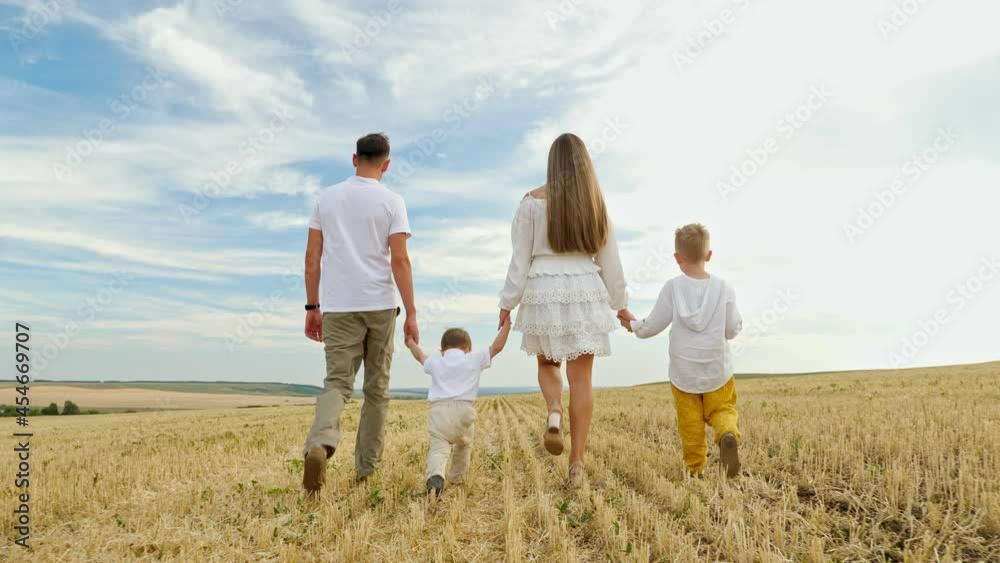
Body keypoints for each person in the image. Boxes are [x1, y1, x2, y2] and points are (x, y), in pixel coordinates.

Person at [498, 133, 629, 485]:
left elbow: (519, 262)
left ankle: (553, 410)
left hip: (543, 286)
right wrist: (621, 305)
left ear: (552, 163)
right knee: (582, 378)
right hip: (585, 287)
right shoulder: (596, 206)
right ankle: (576, 463)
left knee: (547, 362)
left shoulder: (530, 204)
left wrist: (506, 303)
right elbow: (610, 262)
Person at [301, 132, 419, 493]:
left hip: (338, 306)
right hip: (380, 305)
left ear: (354, 159)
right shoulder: (392, 201)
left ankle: (320, 445)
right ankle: (366, 470)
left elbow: (311, 259)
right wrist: (411, 312)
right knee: (376, 390)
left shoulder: (326, 198)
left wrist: (312, 306)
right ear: (386, 164)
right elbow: (399, 260)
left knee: (337, 383)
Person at [619, 223, 744, 478]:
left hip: (683, 373)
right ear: (709, 255)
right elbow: (732, 328)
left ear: (677, 258)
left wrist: (633, 325)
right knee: (722, 409)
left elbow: (653, 324)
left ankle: (696, 470)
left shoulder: (673, 288)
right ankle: (726, 433)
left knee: (690, 424)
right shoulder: (724, 288)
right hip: (716, 369)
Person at [404, 320, 512, 496]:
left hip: (439, 411)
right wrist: (506, 326)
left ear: (442, 350)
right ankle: (457, 478)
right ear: (468, 348)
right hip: (464, 410)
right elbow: (496, 348)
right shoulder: (474, 358)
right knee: (464, 445)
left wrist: (410, 343)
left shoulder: (437, 361)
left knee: (439, 449)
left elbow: (420, 356)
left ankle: (436, 475)